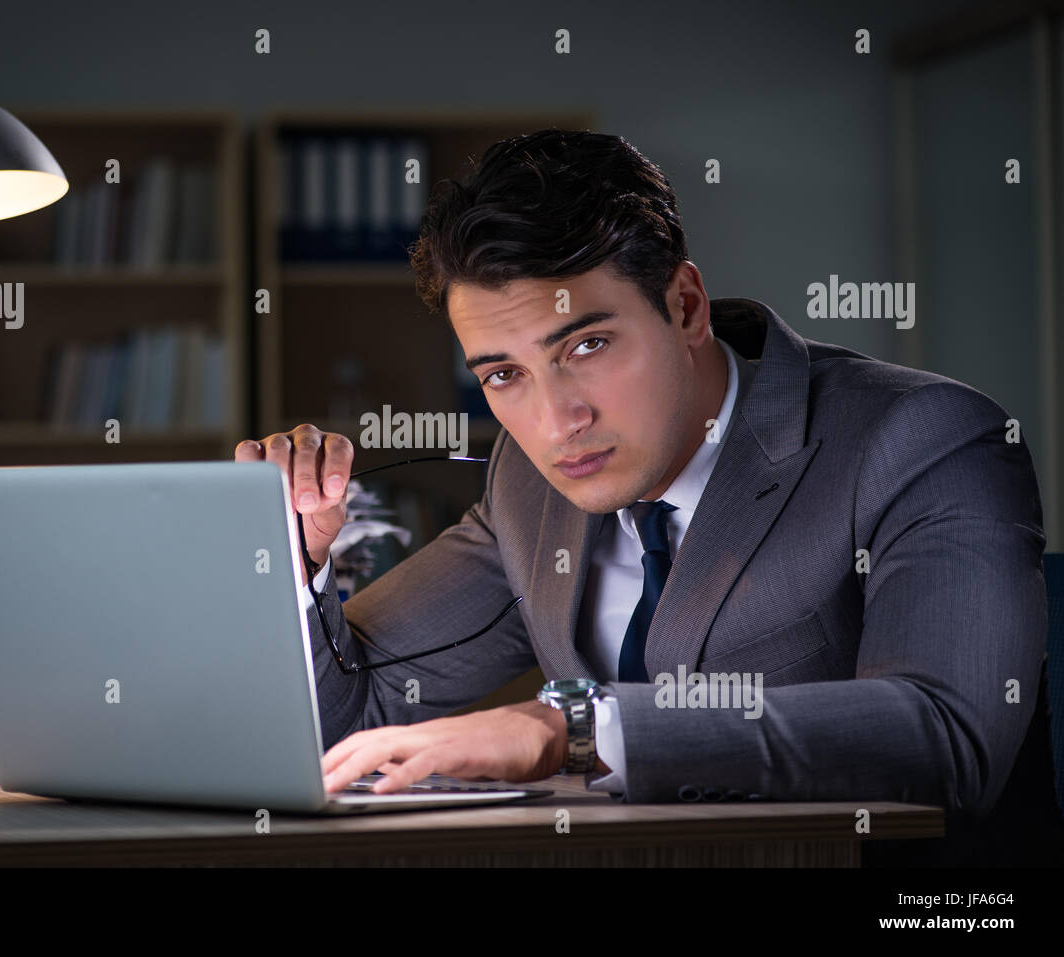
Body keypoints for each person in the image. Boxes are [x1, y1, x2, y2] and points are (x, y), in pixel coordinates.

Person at [234, 129, 1064, 865]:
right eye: (503, 374)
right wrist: (300, 561)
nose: (558, 420)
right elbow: (354, 715)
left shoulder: (924, 435)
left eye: (588, 344)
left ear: (686, 305)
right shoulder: (529, 481)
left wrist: (576, 731)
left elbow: (947, 734)